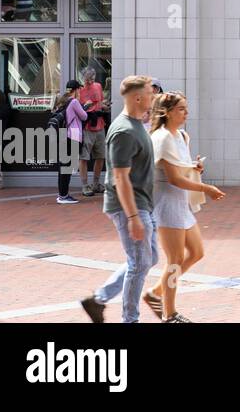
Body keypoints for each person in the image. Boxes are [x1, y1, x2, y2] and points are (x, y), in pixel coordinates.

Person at [80, 76, 159, 323]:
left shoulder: (137, 124)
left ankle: (99, 299)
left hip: (141, 204)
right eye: (150, 93)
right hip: (129, 207)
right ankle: (129, 319)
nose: (154, 97)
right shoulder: (124, 131)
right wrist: (134, 217)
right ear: (137, 97)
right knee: (138, 263)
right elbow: (120, 178)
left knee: (149, 258)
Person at [143, 91, 226, 322]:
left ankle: (155, 294)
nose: (186, 112)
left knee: (196, 252)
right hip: (167, 205)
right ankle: (169, 314)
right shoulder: (162, 138)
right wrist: (206, 188)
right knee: (175, 260)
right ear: (166, 113)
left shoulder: (181, 135)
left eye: (186, 108)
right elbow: (173, 179)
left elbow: (180, 169)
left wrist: (194, 167)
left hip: (181, 203)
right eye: (181, 109)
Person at [54, 84, 89, 204]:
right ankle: (63, 196)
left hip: (64, 136)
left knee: (63, 167)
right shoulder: (74, 102)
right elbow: (84, 117)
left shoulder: (63, 101)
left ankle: (62, 194)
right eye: (80, 89)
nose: (81, 91)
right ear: (76, 90)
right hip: (72, 136)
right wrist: (85, 107)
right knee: (66, 167)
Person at [78, 68, 108, 196]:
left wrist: (105, 106)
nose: (90, 82)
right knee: (84, 157)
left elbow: (101, 103)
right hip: (87, 128)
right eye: (87, 79)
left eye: (92, 79)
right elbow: (77, 109)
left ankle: (96, 183)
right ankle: (85, 185)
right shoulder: (79, 91)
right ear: (82, 78)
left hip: (100, 125)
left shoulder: (98, 86)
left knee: (101, 156)